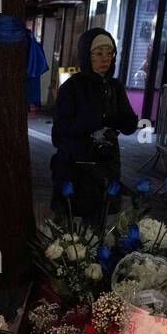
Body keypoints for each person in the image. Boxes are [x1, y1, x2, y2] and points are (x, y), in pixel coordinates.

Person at [51, 29, 139, 220]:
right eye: (98, 53)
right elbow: (60, 130)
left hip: (106, 165)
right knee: (71, 228)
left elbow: (129, 124)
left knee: (98, 222)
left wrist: (122, 120)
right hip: (76, 167)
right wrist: (93, 121)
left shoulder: (115, 87)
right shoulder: (72, 87)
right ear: (86, 55)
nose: (105, 59)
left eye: (109, 53)